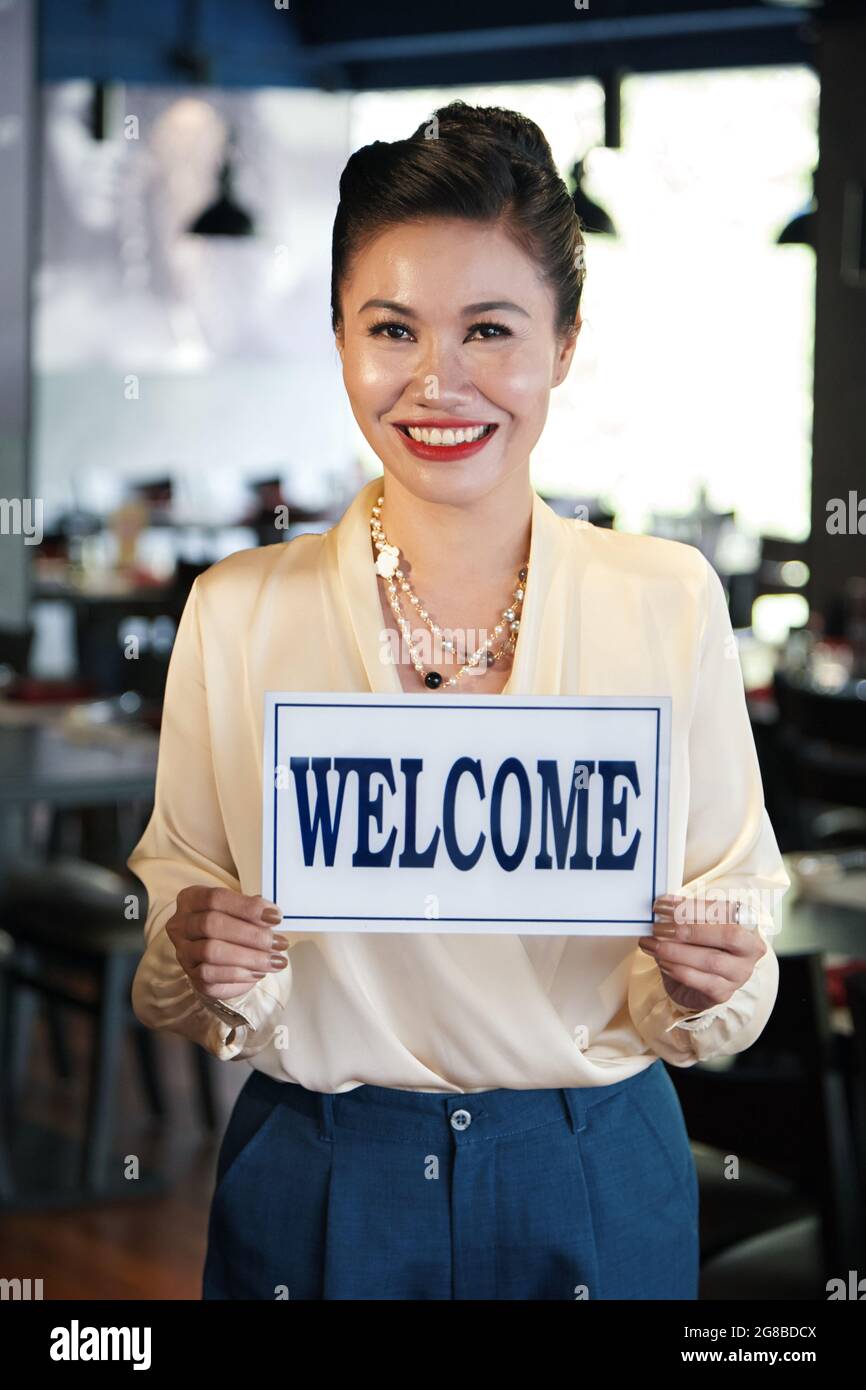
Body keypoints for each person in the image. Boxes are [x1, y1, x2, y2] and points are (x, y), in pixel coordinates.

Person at [128, 101, 789, 1301]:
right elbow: (177, 917)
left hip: (592, 1164)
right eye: (393, 328)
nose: (438, 382)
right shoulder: (236, 610)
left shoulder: (664, 597)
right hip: (321, 1166)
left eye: (490, 329)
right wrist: (199, 945)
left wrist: (715, 973)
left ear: (564, 343)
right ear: (338, 335)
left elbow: (737, 905)